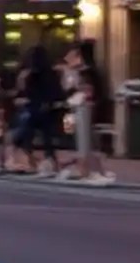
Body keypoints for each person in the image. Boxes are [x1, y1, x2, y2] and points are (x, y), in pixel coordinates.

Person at [11, 45, 62, 174]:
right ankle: (39, 156)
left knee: (27, 120)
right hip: (40, 111)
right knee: (28, 120)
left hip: (45, 112)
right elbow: (22, 94)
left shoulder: (45, 75)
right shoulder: (37, 75)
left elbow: (50, 95)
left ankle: (24, 151)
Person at [62, 39, 109, 180]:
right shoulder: (81, 71)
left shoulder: (86, 72)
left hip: (84, 107)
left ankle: (85, 169)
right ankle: (93, 169)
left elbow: (87, 92)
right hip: (78, 107)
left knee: (84, 139)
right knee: (83, 139)